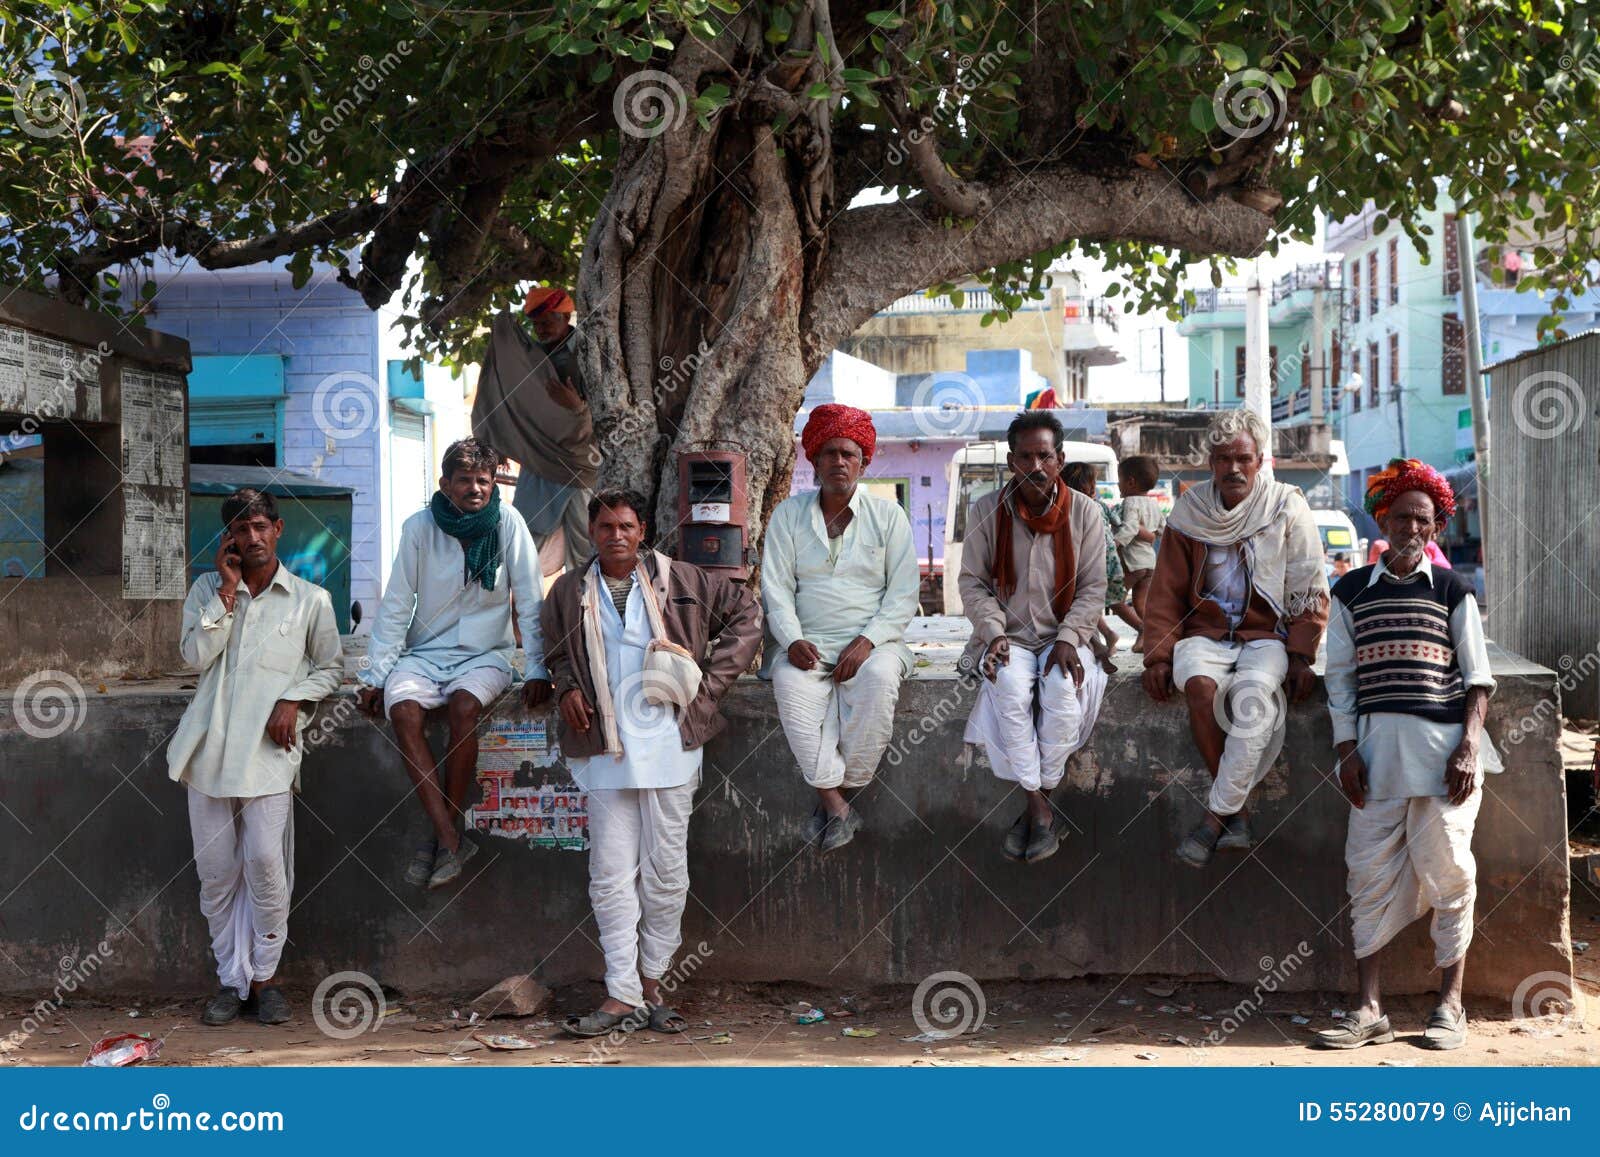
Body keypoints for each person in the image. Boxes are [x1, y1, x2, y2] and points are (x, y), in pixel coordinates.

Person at [543, 490, 761, 1038]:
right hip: (603, 747)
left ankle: (654, 983)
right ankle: (620, 993)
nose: (616, 535)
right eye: (605, 527)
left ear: (643, 531)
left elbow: (747, 616)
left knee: (666, 875)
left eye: (626, 526)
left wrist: (708, 690)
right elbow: (552, 649)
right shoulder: (570, 590)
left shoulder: (682, 579)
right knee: (610, 876)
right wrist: (566, 687)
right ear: (591, 532)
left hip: (670, 745)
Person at [1314, 459, 1499, 1052]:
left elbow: (1478, 679)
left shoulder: (1452, 590)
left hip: (1446, 759)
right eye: (1401, 518)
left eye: (1423, 520)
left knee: (1451, 871)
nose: (1411, 529)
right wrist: (1347, 751)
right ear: (1382, 521)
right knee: (1366, 875)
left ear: (1436, 527)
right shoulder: (1348, 592)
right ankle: (1369, 1010)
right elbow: (1339, 682)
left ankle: (1451, 1005)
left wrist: (1470, 746)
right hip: (1375, 761)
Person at [167, 488, 343, 1026]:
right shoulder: (206, 589)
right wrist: (226, 591)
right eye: (241, 530)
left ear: (278, 528)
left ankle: (264, 980)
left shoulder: (311, 599)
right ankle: (229, 981)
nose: (253, 537)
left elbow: (331, 668)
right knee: (217, 873)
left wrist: (294, 698)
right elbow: (193, 655)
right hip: (206, 752)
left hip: (267, 754)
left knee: (266, 864)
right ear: (229, 539)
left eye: (260, 526)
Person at [357, 438, 551, 890]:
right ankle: (451, 837)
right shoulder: (419, 528)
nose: (475, 489)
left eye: (483, 480)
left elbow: (529, 598)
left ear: (493, 483)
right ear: (444, 484)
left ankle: (439, 836)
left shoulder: (508, 523)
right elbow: (396, 606)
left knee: (465, 708)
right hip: (425, 654)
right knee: (402, 711)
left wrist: (538, 668)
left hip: (488, 655)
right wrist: (375, 676)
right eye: (464, 480)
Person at [1140, 409, 1329, 868]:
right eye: (1223, 459)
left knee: (1253, 696)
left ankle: (1213, 819)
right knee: (1200, 689)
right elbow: (1165, 590)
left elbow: (1308, 583)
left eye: (1243, 458)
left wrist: (1301, 655)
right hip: (1204, 634)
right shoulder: (1190, 511)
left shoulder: (1286, 505)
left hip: (1266, 634)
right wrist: (1159, 656)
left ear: (1260, 459)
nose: (1234, 469)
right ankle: (1235, 812)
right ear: (1211, 463)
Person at [762, 404, 920, 851]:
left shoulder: (889, 517)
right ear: (813, 460)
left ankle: (837, 795)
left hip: (877, 640)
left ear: (864, 461)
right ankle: (836, 805)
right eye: (828, 452)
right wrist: (792, 640)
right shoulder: (788, 517)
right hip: (805, 644)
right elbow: (775, 589)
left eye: (848, 453)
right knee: (791, 689)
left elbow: (903, 594)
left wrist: (867, 642)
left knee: (879, 680)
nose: (838, 462)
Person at [959, 412, 1109, 864]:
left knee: (1063, 694)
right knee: (1007, 689)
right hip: (1011, 638)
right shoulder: (987, 510)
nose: (1036, 465)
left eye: (1045, 455)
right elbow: (972, 583)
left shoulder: (1086, 513)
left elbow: (1093, 588)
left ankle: (1034, 803)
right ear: (1012, 462)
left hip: (1065, 638)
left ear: (1060, 460)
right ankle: (1041, 811)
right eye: (1026, 457)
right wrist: (992, 633)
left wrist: (1068, 638)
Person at [471, 286, 596, 575]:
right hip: (540, 462)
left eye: (547, 323)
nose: (540, 330)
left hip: (582, 463)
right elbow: (509, 400)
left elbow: (607, 408)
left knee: (585, 549)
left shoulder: (589, 350)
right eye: (536, 325)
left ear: (565, 318)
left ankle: (584, 615)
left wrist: (577, 408)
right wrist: (496, 441)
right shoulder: (529, 357)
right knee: (521, 541)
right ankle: (513, 612)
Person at [1062, 460, 1124, 674]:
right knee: (1089, 604)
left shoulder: (1073, 507)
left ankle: (1105, 639)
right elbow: (1118, 523)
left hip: (1090, 563)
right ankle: (1101, 642)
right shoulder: (1099, 505)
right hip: (1109, 561)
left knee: (1080, 602)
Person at [1113, 454, 1165, 649]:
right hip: (1149, 562)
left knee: (1115, 599)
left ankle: (1142, 629)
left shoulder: (1131, 502)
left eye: (1120, 481)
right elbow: (1161, 530)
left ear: (1131, 482)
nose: (1118, 485)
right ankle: (1149, 638)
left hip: (1133, 563)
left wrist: (1112, 544)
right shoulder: (1154, 504)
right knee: (1141, 603)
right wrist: (1150, 534)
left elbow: (1131, 528)